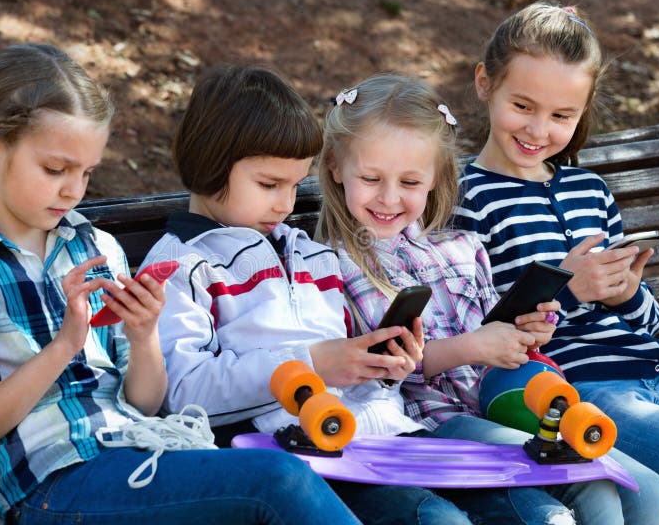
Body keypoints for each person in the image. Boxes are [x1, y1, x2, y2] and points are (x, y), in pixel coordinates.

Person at [0, 43, 362, 525]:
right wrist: (65, 345)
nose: (74, 190)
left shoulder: (93, 247)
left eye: (86, 173)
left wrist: (143, 338)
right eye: (56, 170)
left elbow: (143, 402)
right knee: (277, 481)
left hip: (140, 455)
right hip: (52, 486)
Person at [142, 63, 480, 525]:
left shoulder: (311, 256)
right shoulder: (180, 265)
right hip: (290, 460)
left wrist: (382, 369)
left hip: (374, 444)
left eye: (293, 185)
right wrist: (312, 363)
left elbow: (344, 368)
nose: (285, 204)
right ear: (209, 165)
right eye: (269, 185)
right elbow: (182, 393)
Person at [315, 72, 637, 524]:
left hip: (502, 404)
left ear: (435, 178)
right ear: (335, 166)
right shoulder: (328, 264)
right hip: (431, 424)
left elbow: (496, 336)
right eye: (370, 178)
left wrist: (526, 331)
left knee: (616, 485)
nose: (388, 198)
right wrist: (473, 347)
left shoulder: (463, 248)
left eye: (410, 182)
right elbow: (371, 375)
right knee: (564, 484)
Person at [453, 2, 659, 524]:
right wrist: (568, 289)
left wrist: (626, 294)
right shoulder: (466, 196)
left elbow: (648, 321)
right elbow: (479, 333)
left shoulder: (590, 189)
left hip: (658, 373)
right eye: (523, 106)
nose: (539, 130)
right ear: (485, 84)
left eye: (562, 116)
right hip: (585, 387)